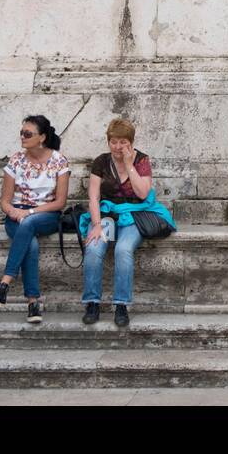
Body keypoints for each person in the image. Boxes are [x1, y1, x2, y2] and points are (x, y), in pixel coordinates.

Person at [80, 118, 171, 327]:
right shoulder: (101, 162)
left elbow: (142, 193)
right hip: (107, 215)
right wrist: (96, 225)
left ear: (131, 142)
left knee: (123, 249)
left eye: (123, 142)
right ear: (108, 141)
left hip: (135, 215)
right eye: (114, 141)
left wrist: (129, 165)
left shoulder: (142, 161)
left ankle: (121, 305)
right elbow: (93, 196)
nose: (118, 147)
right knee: (94, 247)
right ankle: (92, 302)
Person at [0, 115, 71, 323]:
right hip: (16, 217)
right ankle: (33, 302)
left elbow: (60, 203)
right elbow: (5, 201)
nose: (22, 137)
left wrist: (30, 213)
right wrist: (13, 212)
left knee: (29, 223)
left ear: (42, 137)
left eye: (28, 134)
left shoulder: (59, 161)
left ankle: (5, 281)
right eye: (22, 133)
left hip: (46, 215)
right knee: (31, 245)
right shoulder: (16, 160)